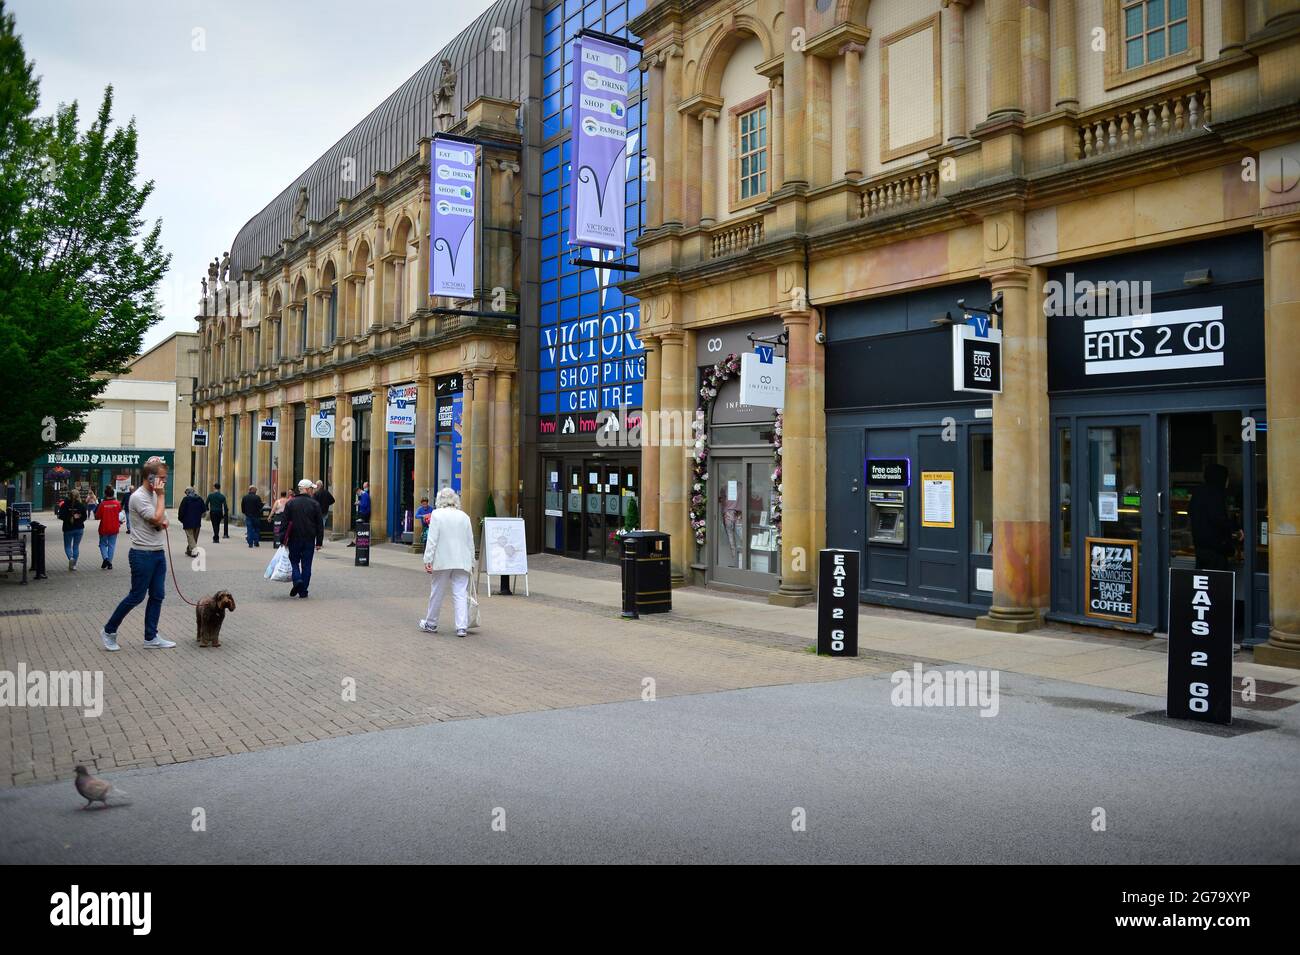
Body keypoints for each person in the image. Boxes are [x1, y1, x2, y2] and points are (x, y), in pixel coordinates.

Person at [100, 458, 177, 651]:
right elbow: (157, 519)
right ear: (150, 478)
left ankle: (151, 637)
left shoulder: (153, 495)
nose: (164, 482)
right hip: (142, 554)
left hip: (157, 552)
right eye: (162, 478)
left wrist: (159, 515)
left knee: (158, 595)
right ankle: (109, 631)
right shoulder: (139, 497)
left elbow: (164, 521)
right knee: (136, 596)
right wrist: (160, 498)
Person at [420, 487, 476, 638]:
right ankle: (461, 626)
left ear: (440, 500)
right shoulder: (464, 516)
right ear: (455, 500)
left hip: (442, 559)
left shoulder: (437, 515)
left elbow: (432, 540)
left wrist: (428, 559)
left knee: (437, 591)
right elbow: (470, 540)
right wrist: (472, 560)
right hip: (461, 560)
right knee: (460, 593)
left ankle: (431, 623)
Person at [1189, 462, 1243, 572]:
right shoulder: (1216, 494)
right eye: (1227, 477)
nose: (1228, 481)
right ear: (1221, 478)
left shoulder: (1198, 492)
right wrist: (1236, 528)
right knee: (1217, 583)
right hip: (1215, 550)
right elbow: (1219, 519)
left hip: (1200, 547)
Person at [282, 478, 324, 598]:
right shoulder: (315, 504)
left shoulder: (290, 503)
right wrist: (319, 542)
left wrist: (282, 539)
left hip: (294, 538)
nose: (312, 491)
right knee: (307, 565)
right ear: (306, 489)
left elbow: (284, 522)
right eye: (311, 488)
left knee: (294, 561)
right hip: (309, 539)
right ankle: (303, 590)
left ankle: (297, 580)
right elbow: (319, 524)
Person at [55, 490, 88, 571]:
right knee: (76, 546)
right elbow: (85, 517)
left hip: (68, 528)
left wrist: (69, 518)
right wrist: (79, 517)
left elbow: (60, 516)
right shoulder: (81, 505)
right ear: (78, 496)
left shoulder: (65, 505)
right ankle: (74, 565)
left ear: (69, 496)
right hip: (79, 528)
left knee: (67, 546)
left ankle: (71, 558)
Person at [95, 484, 122, 570]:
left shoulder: (102, 504)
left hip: (104, 527)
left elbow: (97, 516)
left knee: (102, 544)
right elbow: (120, 512)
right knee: (112, 545)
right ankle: (109, 562)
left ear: (105, 494)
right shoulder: (117, 503)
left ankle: (106, 559)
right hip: (114, 527)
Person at [177, 486, 206, 557]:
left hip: (188, 522)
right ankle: (189, 550)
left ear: (187, 492)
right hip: (197, 522)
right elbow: (204, 510)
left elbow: (181, 511)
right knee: (194, 538)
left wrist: (181, 519)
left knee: (190, 537)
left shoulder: (185, 500)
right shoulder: (200, 499)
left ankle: (194, 551)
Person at [348, 481, 371, 547]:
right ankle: (355, 541)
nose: (357, 495)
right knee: (359, 528)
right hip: (363, 513)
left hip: (364, 514)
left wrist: (358, 503)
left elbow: (365, 504)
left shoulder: (364, 495)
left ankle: (356, 542)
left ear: (358, 491)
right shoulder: (364, 495)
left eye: (357, 493)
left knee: (360, 528)